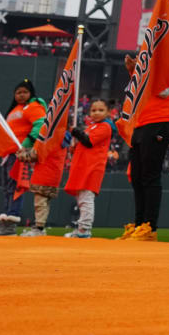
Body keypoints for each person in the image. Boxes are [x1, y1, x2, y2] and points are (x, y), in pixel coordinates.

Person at [120, 47, 169, 241]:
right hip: (141, 123)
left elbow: (163, 91)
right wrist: (134, 72)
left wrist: (141, 71)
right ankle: (140, 223)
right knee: (137, 176)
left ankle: (150, 226)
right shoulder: (147, 70)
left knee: (149, 175)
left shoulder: (168, 67)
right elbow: (136, 93)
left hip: (160, 122)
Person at [0, 79, 45, 236]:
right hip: (8, 154)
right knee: (7, 189)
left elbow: (41, 125)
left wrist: (26, 144)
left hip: (19, 154)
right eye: (18, 92)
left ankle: (10, 225)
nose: (21, 95)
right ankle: (5, 222)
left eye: (24, 92)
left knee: (15, 188)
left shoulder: (33, 107)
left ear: (31, 93)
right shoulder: (14, 110)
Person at [64, 99, 115, 239]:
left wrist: (75, 132)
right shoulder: (90, 127)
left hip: (92, 167)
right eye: (93, 110)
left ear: (108, 112)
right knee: (81, 199)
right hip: (83, 166)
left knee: (86, 199)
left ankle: (84, 229)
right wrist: (75, 146)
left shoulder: (105, 126)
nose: (96, 113)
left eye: (100, 110)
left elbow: (88, 141)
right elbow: (84, 143)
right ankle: (82, 228)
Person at [20, 124, 68, 237]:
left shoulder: (50, 137)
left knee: (40, 203)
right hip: (54, 175)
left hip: (44, 175)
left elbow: (35, 154)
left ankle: (39, 228)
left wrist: (21, 154)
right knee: (44, 203)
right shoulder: (63, 138)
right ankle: (40, 226)